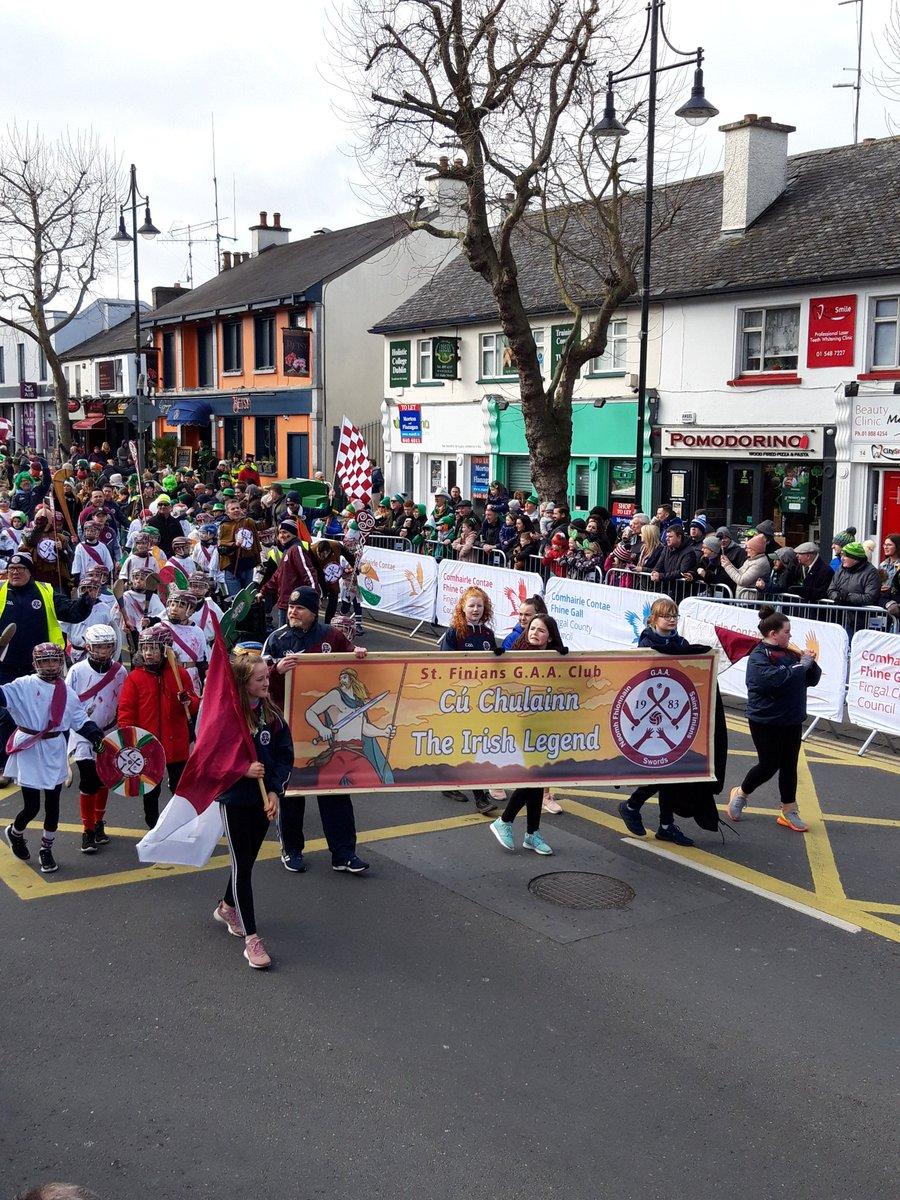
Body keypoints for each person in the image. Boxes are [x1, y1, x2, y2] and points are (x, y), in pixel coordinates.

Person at [262, 586, 369, 874]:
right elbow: (257, 680)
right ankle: (292, 849)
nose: (293, 612)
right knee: (291, 792)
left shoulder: (330, 637)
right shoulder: (276, 639)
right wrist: (276, 672)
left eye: (300, 608)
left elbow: (350, 661)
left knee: (334, 788)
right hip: (287, 727)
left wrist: (358, 653)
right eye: (291, 607)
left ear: (314, 611)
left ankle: (344, 854)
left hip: (326, 733)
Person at [214, 654, 292, 970]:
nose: (266, 682)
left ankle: (226, 907)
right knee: (242, 866)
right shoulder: (227, 715)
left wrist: (274, 790)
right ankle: (252, 940)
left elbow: (285, 756)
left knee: (244, 862)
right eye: (259, 679)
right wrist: (241, 769)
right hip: (235, 799)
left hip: (262, 801)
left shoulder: (272, 715)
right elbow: (211, 758)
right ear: (243, 682)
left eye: (266, 677)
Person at [2, 643, 104, 872]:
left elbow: (79, 719)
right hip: (29, 747)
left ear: (61, 662)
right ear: (35, 664)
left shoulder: (67, 692)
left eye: (55, 660)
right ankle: (15, 832)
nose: (50, 666)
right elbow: (1, 696)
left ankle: (46, 850)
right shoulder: (23, 685)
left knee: (53, 805)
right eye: (45, 661)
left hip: (54, 747)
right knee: (31, 807)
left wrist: (96, 736)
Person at [617, 598, 705, 847]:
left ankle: (663, 824)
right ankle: (633, 805)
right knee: (662, 769)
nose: (672, 619)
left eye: (675, 615)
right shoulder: (647, 642)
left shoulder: (680, 643)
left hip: (673, 714)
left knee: (671, 770)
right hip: (648, 716)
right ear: (654, 619)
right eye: (666, 615)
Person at [727, 606, 821, 832]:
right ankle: (741, 793)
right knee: (769, 765)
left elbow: (812, 679)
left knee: (789, 764)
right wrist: (801, 667)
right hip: (765, 720)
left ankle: (789, 810)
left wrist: (810, 663)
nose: (790, 636)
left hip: (791, 718)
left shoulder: (790, 653)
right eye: (787, 632)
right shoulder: (759, 656)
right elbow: (774, 681)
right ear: (773, 634)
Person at [489, 614, 569, 856]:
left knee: (539, 778)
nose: (534, 633)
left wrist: (566, 659)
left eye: (541, 630)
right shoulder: (514, 654)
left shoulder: (557, 659)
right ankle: (504, 820)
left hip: (545, 724)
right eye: (532, 628)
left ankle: (532, 833)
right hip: (520, 724)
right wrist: (497, 658)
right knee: (533, 776)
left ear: (550, 636)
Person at [117, 626, 199, 829]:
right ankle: (152, 825)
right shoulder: (135, 678)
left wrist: (187, 701)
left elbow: (195, 704)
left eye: (153, 648)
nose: (148, 653)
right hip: (147, 744)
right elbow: (126, 711)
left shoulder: (180, 674)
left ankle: (180, 824)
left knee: (180, 788)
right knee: (151, 790)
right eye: (145, 648)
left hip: (177, 742)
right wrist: (127, 738)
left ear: (165, 649)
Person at [438, 586, 500, 813]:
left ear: (485, 609)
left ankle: (453, 784)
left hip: (481, 700)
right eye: (471, 605)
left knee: (472, 745)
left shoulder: (487, 635)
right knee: (465, 745)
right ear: (462, 608)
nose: (475, 609)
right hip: (459, 699)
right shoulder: (454, 632)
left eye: (479, 606)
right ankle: (480, 797)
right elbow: (445, 666)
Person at [66, 625, 126, 853]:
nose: (103, 651)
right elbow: (69, 703)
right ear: (89, 646)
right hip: (83, 733)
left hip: (109, 730)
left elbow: (123, 701)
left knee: (104, 780)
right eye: (99, 646)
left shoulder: (120, 671)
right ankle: (87, 830)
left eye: (107, 646)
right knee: (89, 780)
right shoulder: (77, 671)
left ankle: (99, 823)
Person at [217, 498, 261, 596]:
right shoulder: (224, 526)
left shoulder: (248, 521)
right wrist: (234, 545)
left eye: (237, 508)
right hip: (232, 568)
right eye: (233, 509)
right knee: (236, 600)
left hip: (248, 565)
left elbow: (264, 525)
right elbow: (221, 549)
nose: (236, 510)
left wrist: (267, 508)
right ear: (227, 512)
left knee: (249, 597)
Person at [827, 540, 881, 608]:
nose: (842, 558)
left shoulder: (871, 573)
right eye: (842, 555)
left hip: (860, 615)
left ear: (855, 559)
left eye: (845, 556)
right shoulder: (841, 569)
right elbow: (831, 590)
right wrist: (838, 597)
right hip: (838, 614)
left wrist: (848, 597)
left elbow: (871, 597)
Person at [719, 531, 771, 599]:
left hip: (750, 601)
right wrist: (729, 563)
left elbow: (742, 580)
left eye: (748, 548)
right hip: (743, 598)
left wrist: (727, 566)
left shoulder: (760, 563)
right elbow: (740, 572)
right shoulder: (751, 559)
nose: (745, 550)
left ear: (755, 549)